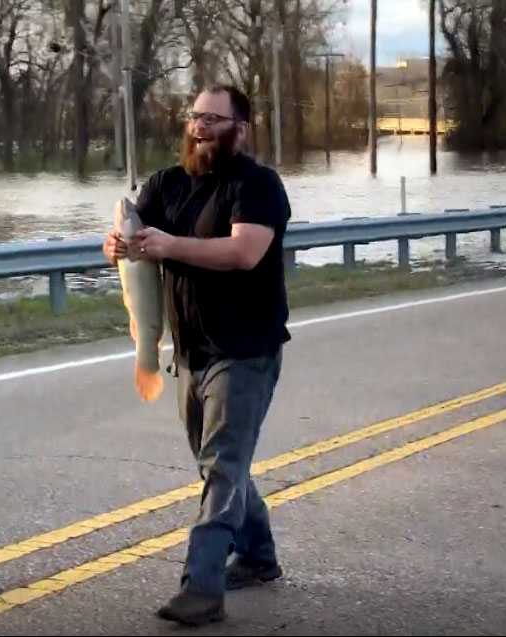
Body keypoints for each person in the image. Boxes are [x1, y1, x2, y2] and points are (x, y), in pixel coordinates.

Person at [103, 84, 291, 626]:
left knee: (222, 465)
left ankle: (202, 587)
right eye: (195, 116)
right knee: (220, 464)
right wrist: (116, 244)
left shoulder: (257, 186)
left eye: (214, 118)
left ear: (240, 128)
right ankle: (257, 555)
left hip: (246, 349)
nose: (200, 126)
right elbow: (127, 235)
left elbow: (243, 252)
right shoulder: (166, 184)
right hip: (190, 350)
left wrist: (169, 246)